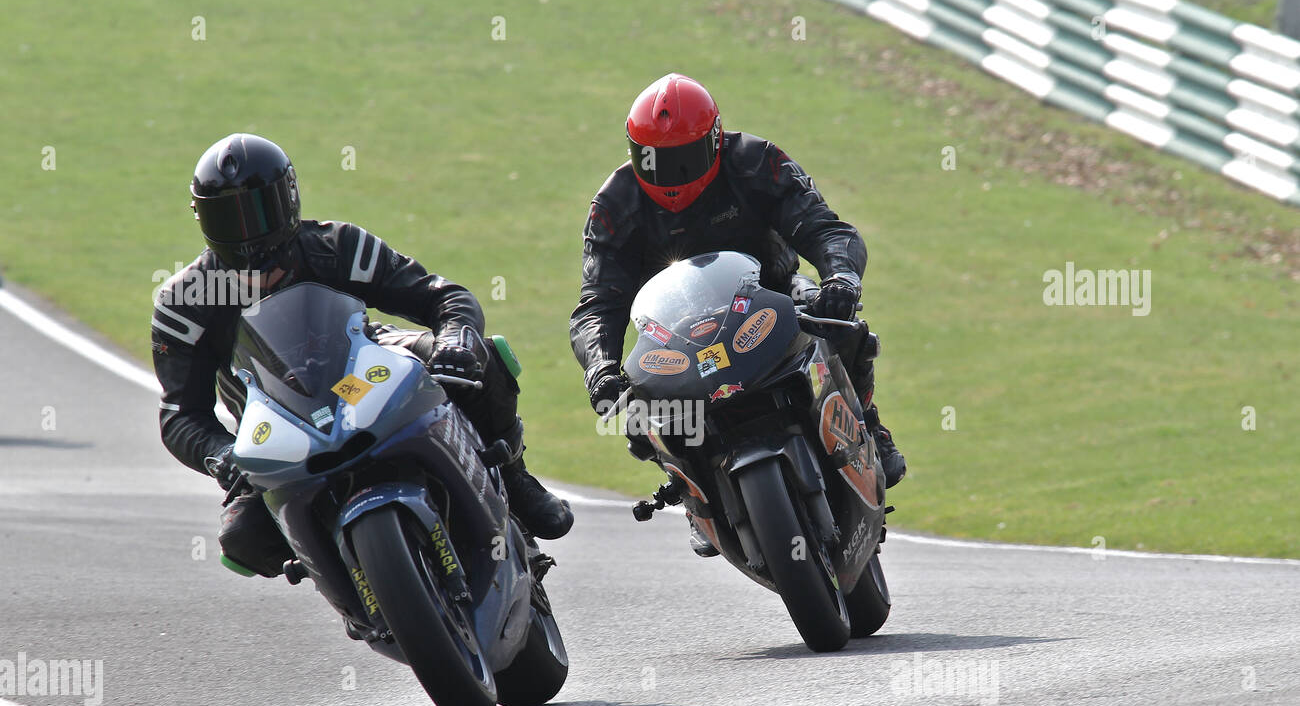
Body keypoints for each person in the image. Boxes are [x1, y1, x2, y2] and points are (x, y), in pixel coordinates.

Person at [152, 133, 572, 581]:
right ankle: (348, 577)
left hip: (366, 375)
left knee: (484, 356)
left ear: (288, 199)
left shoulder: (337, 245)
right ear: (201, 219)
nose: (247, 235)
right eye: (227, 218)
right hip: (275, 428)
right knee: (241, 540)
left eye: (258, 211)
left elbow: (443, 296)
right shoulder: (184, 302)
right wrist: (222, 453)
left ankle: (511, 472)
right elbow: (180, 413)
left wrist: (455, 339)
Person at [571, 73, 906, 512]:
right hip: (676, 333)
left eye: (683, 161)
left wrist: (841, 279)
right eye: (651, 160)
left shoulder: (757, 161)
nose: (668, 177)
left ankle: (867, 423)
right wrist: (600, 367)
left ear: (714, 141)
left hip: (774, 295)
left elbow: (827, 229)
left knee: (845, 328)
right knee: (634, 410)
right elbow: (598, 302)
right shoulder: (614, 204)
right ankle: (696, 493)